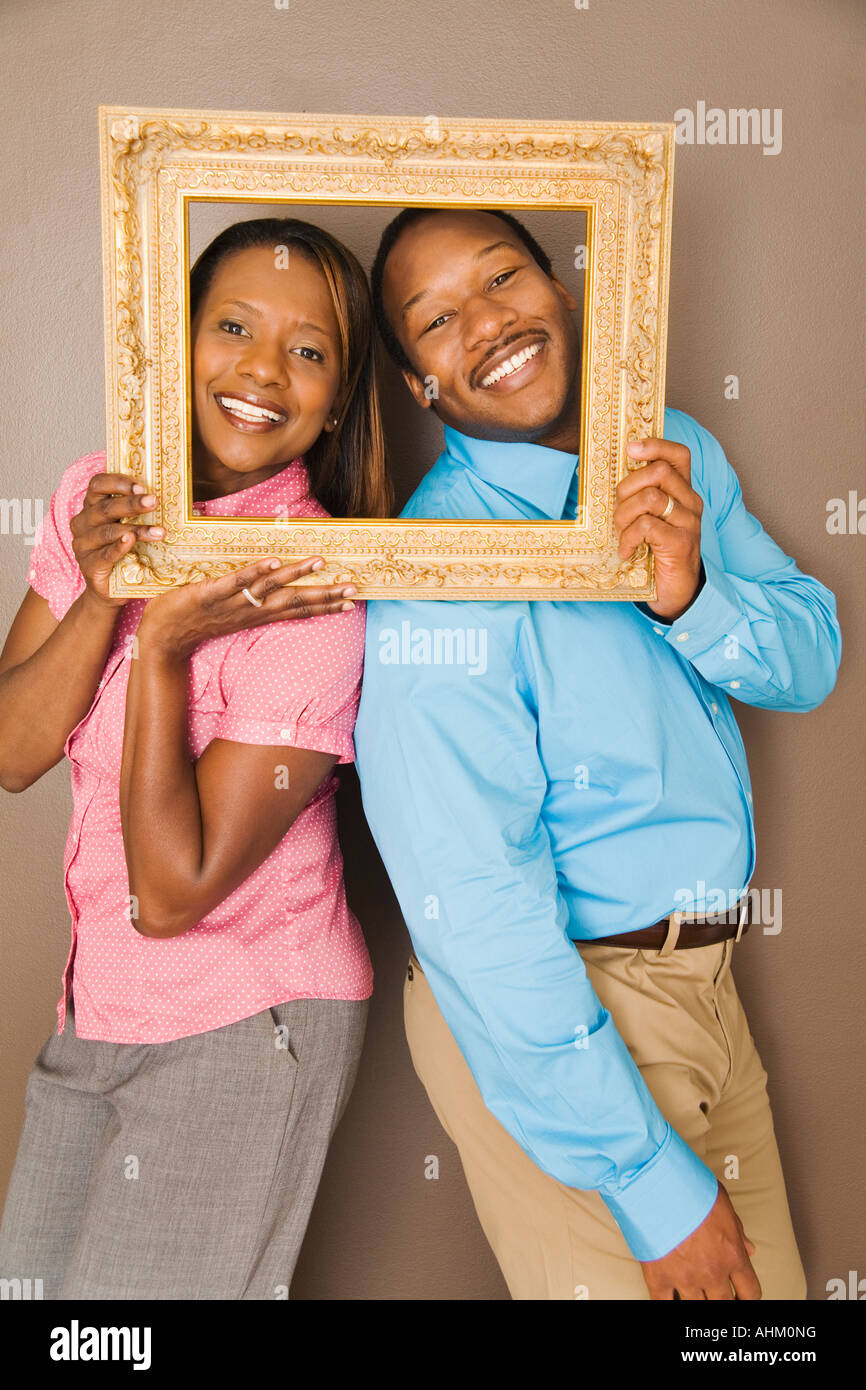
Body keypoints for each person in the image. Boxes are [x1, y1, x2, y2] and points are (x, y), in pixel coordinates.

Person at [353, 207, 842, 1300]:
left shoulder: (671, 450)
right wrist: (643, 1179)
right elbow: (475, 909)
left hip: (709, 991)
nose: (484, 323)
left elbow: (806, 660)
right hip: (559, 1017)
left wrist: (694, 594)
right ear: (419, 386)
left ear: (562, 292)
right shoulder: (439, 572)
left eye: (502, 278)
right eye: (435, 321)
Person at [0, 216, 390, 1300]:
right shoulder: (96, 492)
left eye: (308, 350)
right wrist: (110, 593)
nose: (263, 370)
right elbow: (12, 748)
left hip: (246, 1023)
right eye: (232, 326)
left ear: (337, 391)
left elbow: (171, 893)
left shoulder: (317, 592)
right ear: (172, 338)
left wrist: (166, 646)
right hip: (94, 1012)